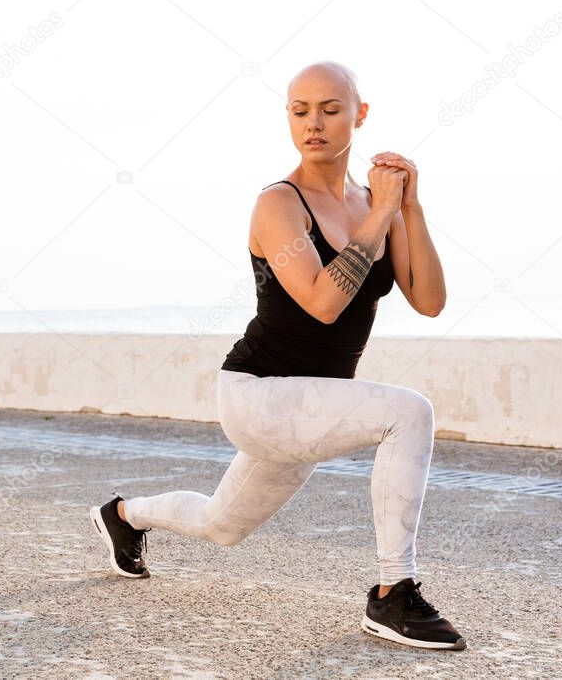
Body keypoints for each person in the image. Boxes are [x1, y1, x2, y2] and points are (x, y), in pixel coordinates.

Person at [89, 61, 465, 651]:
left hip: (310, 405)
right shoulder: (279, 204)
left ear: (360, 115)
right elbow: (321, 303)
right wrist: (382, 214)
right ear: (288, 118)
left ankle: (123, 515)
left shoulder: (375, 205)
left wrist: (409, 207)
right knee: (408, 411)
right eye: (300, 111)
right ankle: (393, 594)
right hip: (258, 393)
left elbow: (431, 300)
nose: (313, 123)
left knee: (223, 524)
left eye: (331, 110)